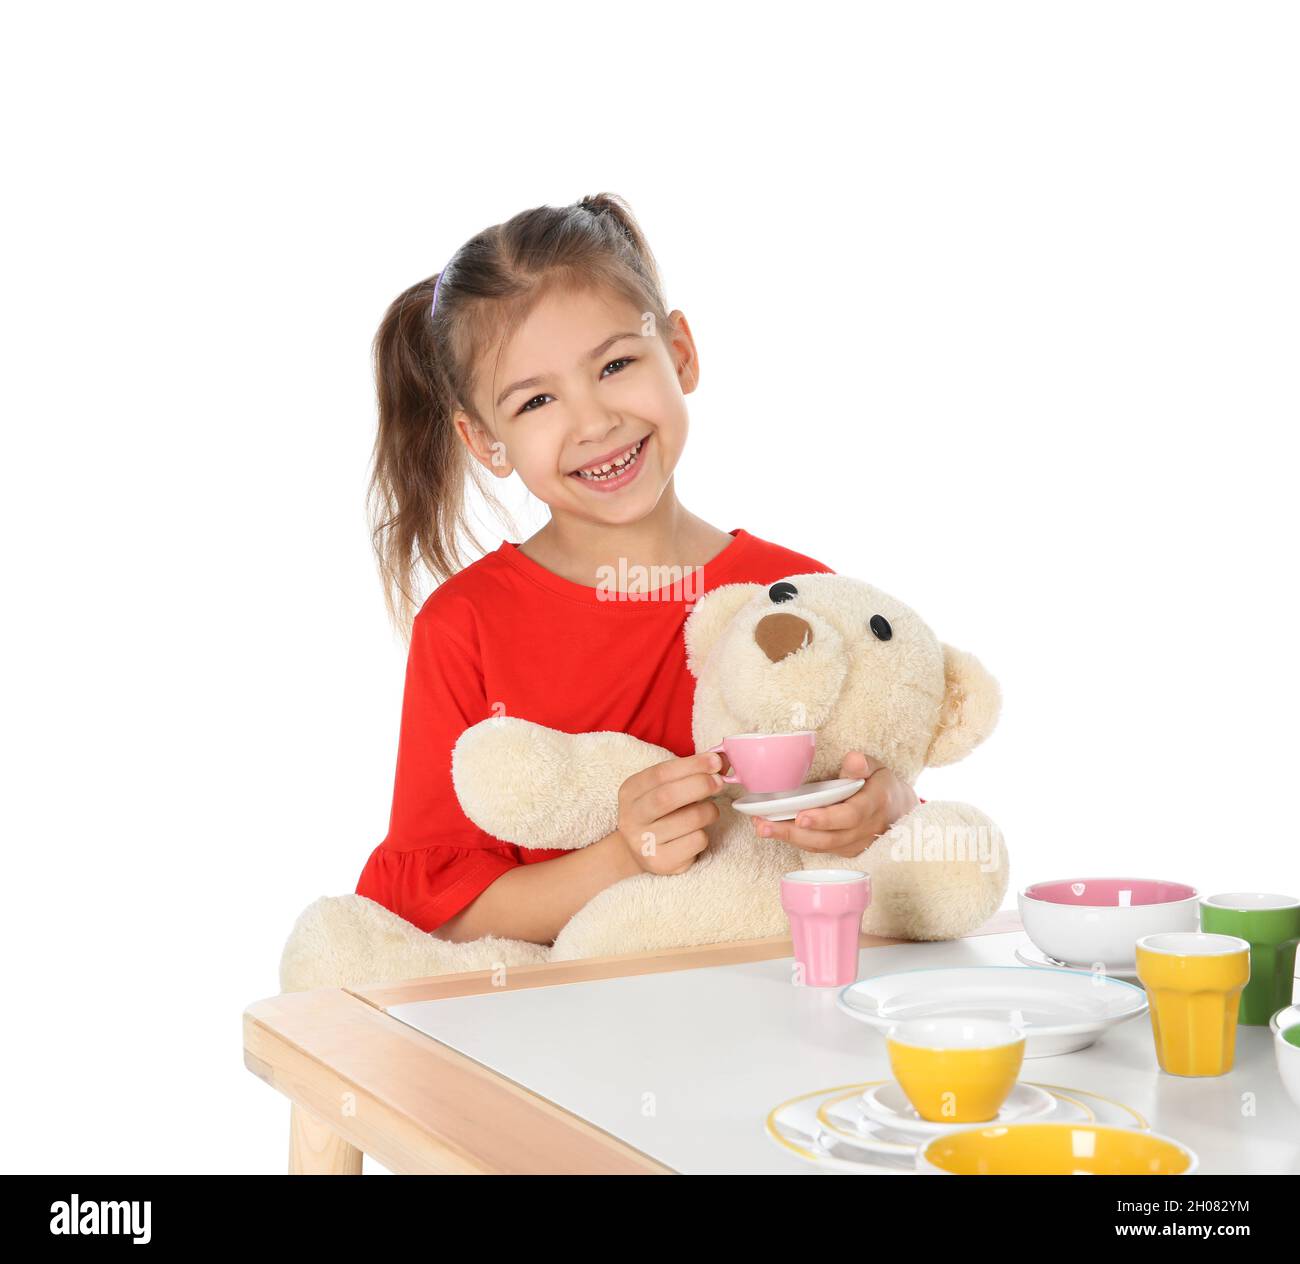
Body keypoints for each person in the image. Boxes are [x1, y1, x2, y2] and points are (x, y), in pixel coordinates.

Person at [355, 193, 918, 946]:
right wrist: (623, 857)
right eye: (536, 402)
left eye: (616, 364)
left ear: (680, 351)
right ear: (484, 440)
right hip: (557, 1046)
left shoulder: (800, 595)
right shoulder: (467, 628)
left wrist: (883, 807)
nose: (595, 423)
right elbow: (442, 914)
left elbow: (893, 823)